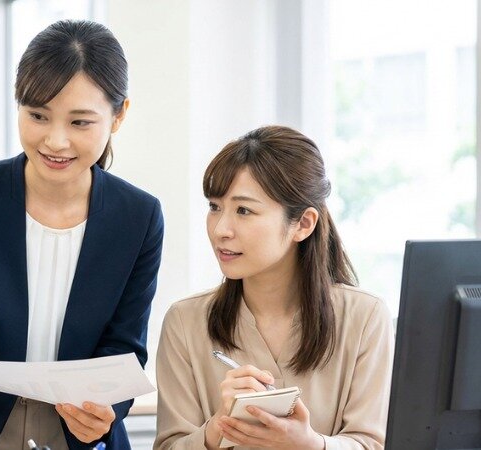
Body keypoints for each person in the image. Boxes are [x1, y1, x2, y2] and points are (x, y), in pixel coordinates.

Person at [0, 20, 164, 450]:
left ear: (119, 116)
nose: (55, 141)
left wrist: (103, 414)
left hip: (77, 430)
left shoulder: (139, 216)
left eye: (80, 122)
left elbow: (124, 348)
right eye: (38, 115)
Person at [154, 125, 394, 450]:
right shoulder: (185, 321)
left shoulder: (365, 317)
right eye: (214, 207)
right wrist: (218, 426)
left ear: (303, 224)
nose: (221, 229)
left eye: (244, 210)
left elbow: (371, 443)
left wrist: (311, 444)